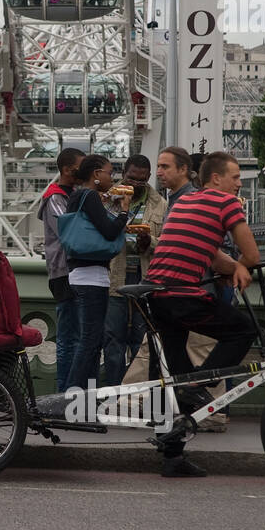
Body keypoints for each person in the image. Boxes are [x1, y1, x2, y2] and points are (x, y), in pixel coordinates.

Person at [144, 151, 261, 477]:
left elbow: (210, 254)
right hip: (183, 294)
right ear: (216, 178)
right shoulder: (227, 204)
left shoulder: (184, 203)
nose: (239, 184)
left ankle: (173, 456)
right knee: (243, 330)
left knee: (177, 374)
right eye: (235, 177)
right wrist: (241, 265)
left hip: (156, 292)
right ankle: (201, 384)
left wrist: (233, 266)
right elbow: (252, 254)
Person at [64, 155, 130, 392]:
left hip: (80, 275)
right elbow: (109, 231)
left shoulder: (77, 196)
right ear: (96, 174)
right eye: (109, 172)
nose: (111, 178)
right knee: (90, 341)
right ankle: (72, 398)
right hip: (91, 278)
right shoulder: (90, 195)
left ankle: (84, 398)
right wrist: (123, 212)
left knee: (91, 341)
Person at [103, 154, 165, 385]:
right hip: (115, 275)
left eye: (142, 180)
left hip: (144, 275)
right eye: (131, 178)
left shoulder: (160, 203)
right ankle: (112, 391)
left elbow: (166, 243)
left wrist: (149, 242)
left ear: (148, 177)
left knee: (142, 341)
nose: (136, 184)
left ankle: (137, 393)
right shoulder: (108, 199)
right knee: (112, 339)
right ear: (123, 174)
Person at [40, 148, 83, 390]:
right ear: (67, 169)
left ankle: (70, 391)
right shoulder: (55, 198)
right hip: (63, 272)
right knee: (68, 339)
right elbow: (67, 232)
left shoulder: (73, 194)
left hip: (72, 271)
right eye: (80, 165)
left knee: (76, 337)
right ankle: (65, 392)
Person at [156, 145, 196, 215]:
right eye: (158, 166)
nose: (158, 173)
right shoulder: (175, 197)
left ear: (183, 169)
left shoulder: (192, 201)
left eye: (165, 167)